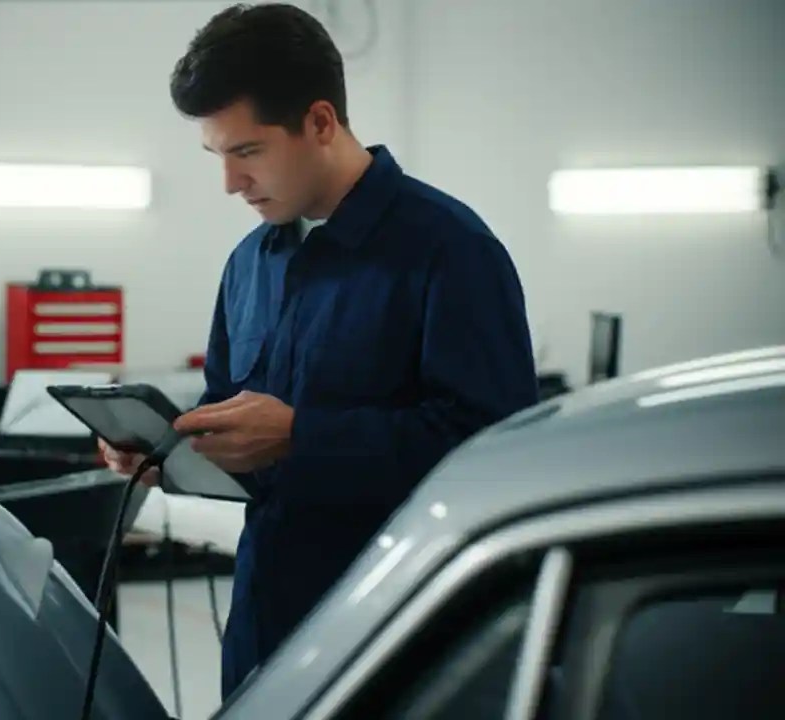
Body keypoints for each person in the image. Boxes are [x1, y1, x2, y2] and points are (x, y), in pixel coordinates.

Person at [101, 2, 539, 700]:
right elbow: (235, 427)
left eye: (247, 152)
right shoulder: (249, 265)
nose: (231, 183)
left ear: (321, 123)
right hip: (264, 627)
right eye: (218, 157)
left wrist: (303, 435)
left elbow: (492, 450)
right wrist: (167, 453)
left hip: (401, 631)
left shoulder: (451, 252)